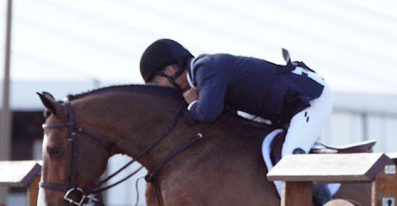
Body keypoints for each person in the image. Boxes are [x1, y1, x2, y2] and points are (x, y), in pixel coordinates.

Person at [139, 39, 333, 197]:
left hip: (309, 99)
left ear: (170, 70)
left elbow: (208, 113)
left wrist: (192, 104)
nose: (159, 89)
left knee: (290, 158)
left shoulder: (206, 68)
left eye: (157, 82)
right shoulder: (202, 76)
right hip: (286, 108)